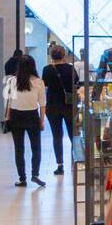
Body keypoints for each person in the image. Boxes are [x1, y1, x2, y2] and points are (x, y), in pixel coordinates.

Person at [4, 55, 46, 187]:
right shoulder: (38, 82)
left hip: (16, 116)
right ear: (33, 66)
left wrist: (7, 117)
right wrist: (42, 120)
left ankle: (22, 178)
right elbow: (42, 104)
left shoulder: (12, 81)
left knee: (19, 149)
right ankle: (35, 175)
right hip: (32, 116)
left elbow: (9, 102)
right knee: (36, 148)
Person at [42, 43, 79, 176]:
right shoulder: (70, 68)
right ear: (64, 55)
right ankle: (77, 162)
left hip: (53, 106)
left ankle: (60, 165)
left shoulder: (47, 69)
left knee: (57, 135)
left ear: (51, 55)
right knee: (72, 134)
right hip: (68, 105)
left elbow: (45, 84)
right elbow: (77, 83)